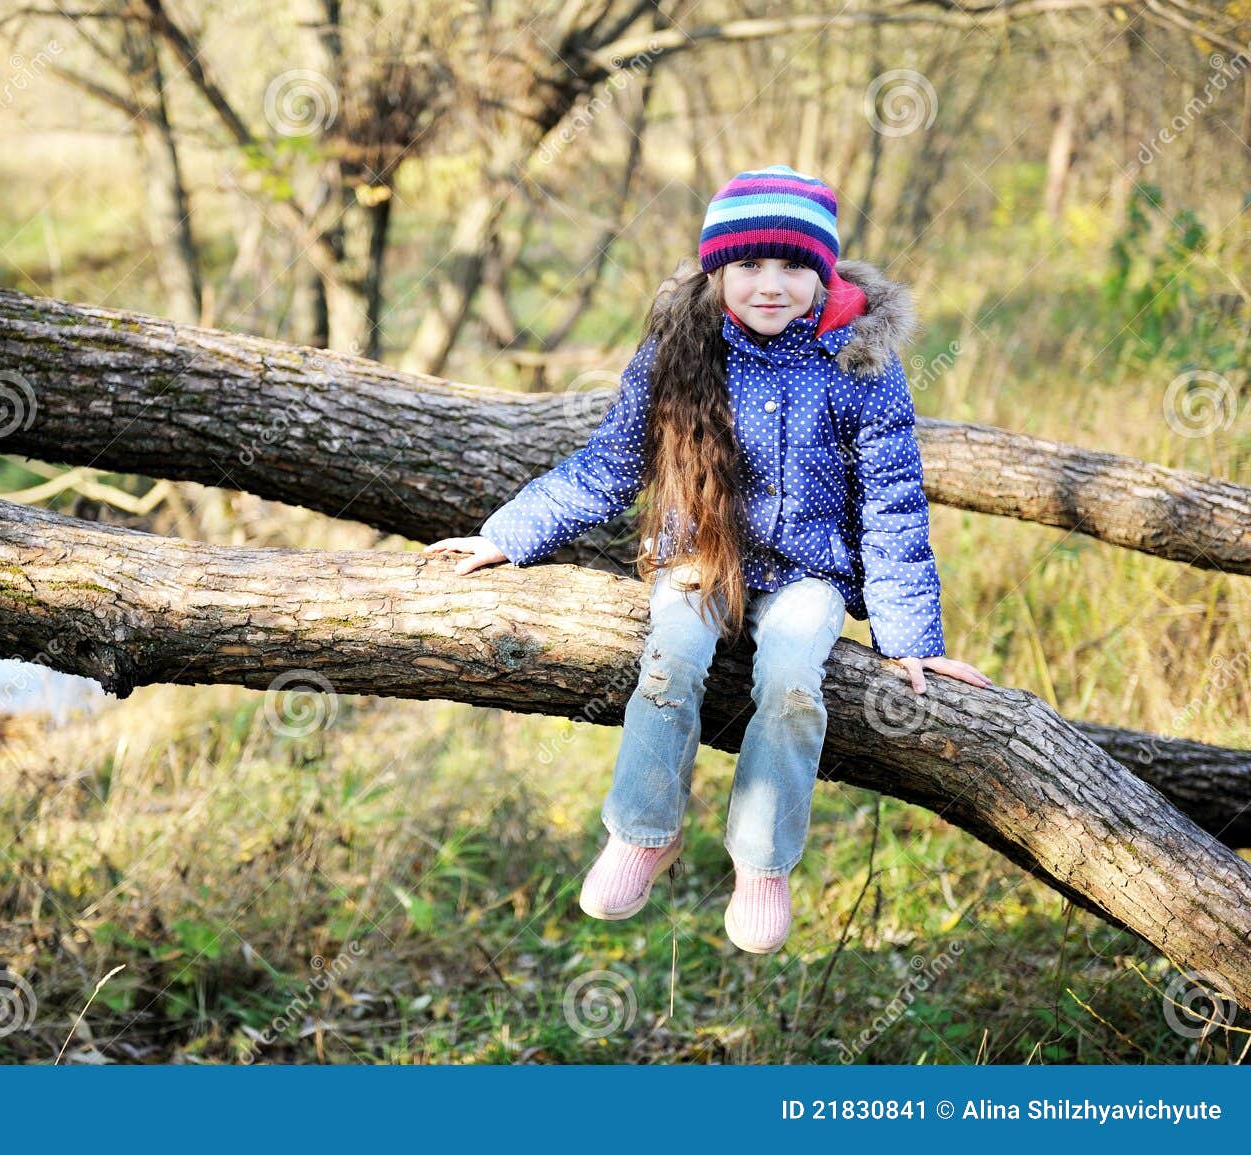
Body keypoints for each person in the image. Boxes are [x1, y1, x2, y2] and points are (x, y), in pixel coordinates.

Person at [425, 164, 991, 954]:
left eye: (793, 266)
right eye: (749, 265)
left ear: (822, 271)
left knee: (793, 678)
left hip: (809, 575)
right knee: (672, 657)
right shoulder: (680, 349)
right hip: (699, 558)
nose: (770, 285)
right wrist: (507, 534)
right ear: (716, 267)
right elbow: (610, 463)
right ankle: (644, 830)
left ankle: (761, 861)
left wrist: (911, 641)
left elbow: (892, 504)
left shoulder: (859, 363)